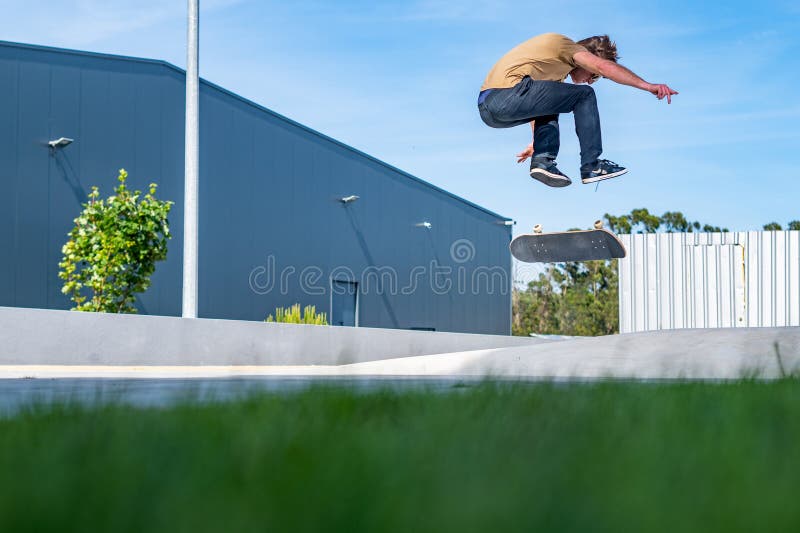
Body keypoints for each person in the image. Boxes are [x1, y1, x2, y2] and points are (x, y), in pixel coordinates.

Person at [478, 33, 677, 187]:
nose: (591, 80)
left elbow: (538, 105)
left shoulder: (554, 70)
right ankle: (592, 165)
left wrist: (536, 143)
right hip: (504, 95)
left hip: (490, 109)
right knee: (585, 94)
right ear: (587, 58)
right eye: (594, 75)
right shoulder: (566, 46)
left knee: (555, 100)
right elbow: (603, 66)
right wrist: (648, 86)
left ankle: (542, 160)